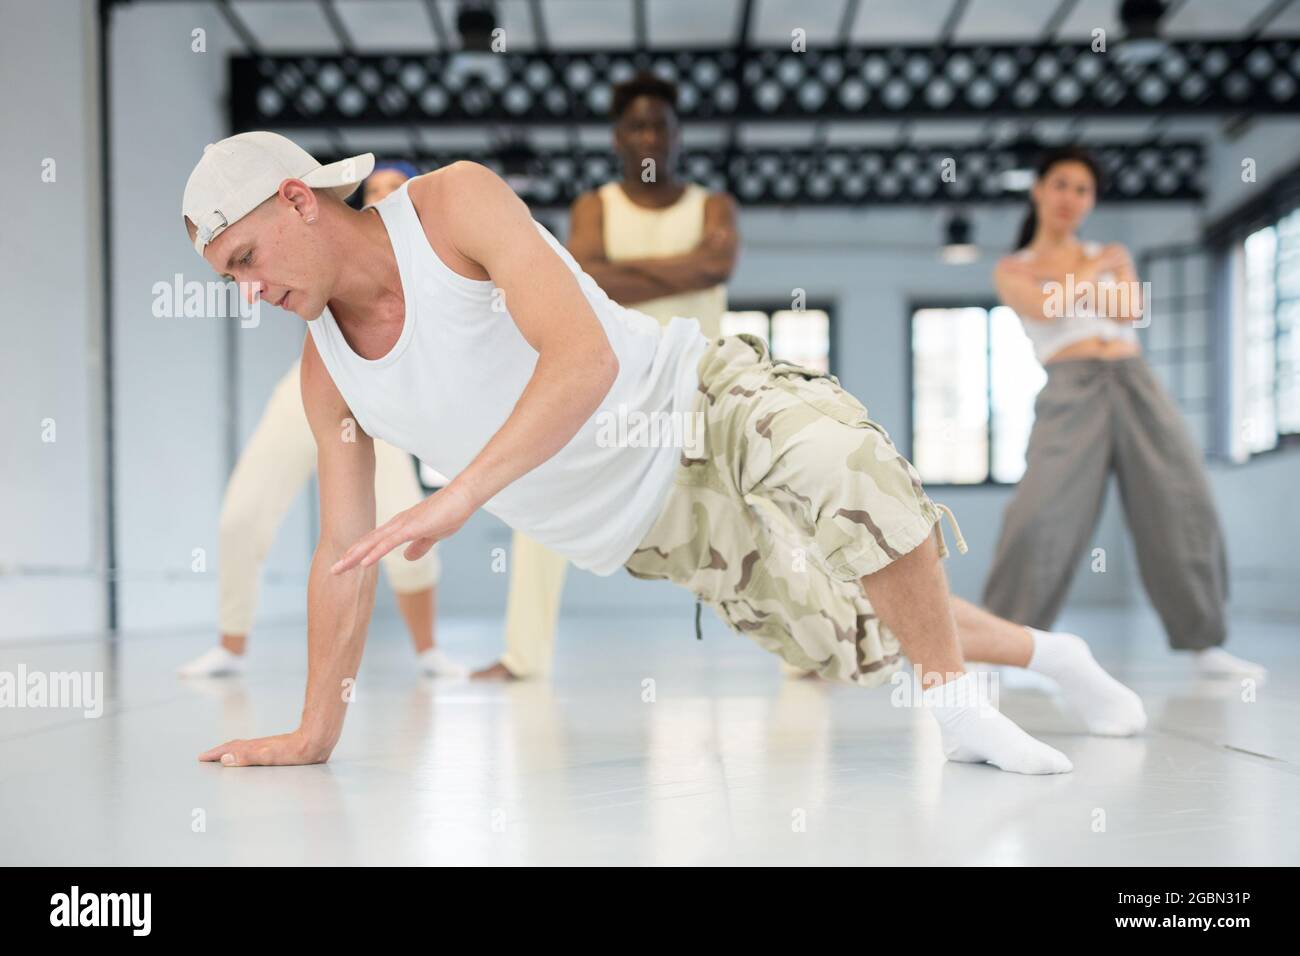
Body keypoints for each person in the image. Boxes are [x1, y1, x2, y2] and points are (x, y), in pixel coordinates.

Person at [183, 131, 1148, 776]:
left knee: (841, 467)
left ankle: (957, 707)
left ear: (297, 200)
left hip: (690, 397)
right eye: (230, 279)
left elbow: (585, 359)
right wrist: (317, 733)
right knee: (851, 635)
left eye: (245, 261)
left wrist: (459, 496)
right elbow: (341, 557)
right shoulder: (328, 375)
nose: (248, 290)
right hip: (653, 531)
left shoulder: (450, 208)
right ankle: (1055, 655)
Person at [473, 73, 740, 681]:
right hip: (612, 380)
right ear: (618, 137)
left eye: (660, 125)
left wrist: (627, 272)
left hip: (698, 380)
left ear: (677, 135)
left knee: (753, 506)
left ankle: (804, 652)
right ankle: (524, 656)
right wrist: (684, 270)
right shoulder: (594, 207)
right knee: (541, 497)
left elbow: (717, 262)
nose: (649, 137)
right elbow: (591, 276)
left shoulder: (715, 206)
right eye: (637, 126)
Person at [178, 159, 463, 679]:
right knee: (242, 515)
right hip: (312, 387)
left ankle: (427, 651)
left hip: (379, 394)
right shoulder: (319, 246)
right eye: (374, 188)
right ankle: (231, 646)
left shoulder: (430, 256)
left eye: (395, 190)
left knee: (402, 528)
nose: (382, 196)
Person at [987, 147, 1264, 679]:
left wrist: (1081, 281)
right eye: (1062, 184)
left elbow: (1129, 309)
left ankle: (1204, 643)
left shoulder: (1106, 253)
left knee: (1184, 502)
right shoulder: (1014, 267)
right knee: (1039, 515)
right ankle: (1000, 646)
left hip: (1136, 381)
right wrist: (1090, 275)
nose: (1072, 198)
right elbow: (1047, 308)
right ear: (1039, 189)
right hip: (1071, 387)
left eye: (1083, 190)